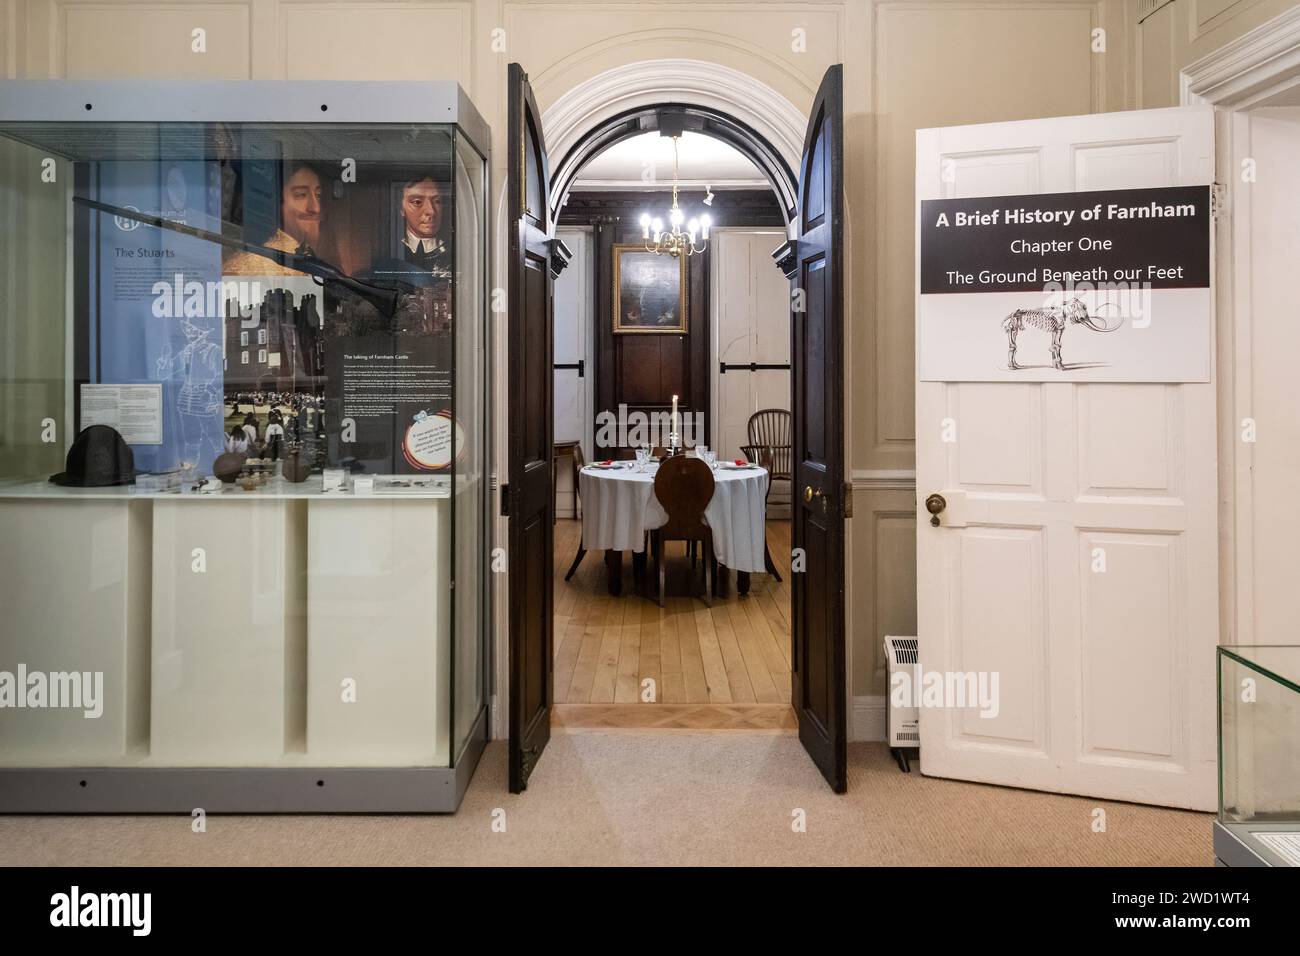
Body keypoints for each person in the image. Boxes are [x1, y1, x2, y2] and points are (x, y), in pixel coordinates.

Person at [223, 162, 325, 276]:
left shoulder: (317, 264)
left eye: (318, 195)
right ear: (277, 203)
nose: (315, 208)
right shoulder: (251, 267)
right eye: (301, 195)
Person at [400, 176, 447, 269]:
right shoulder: (391, 250)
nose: (431, 211)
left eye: (437, 201)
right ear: (402, 209)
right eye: (417, 202)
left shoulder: (455, 250)